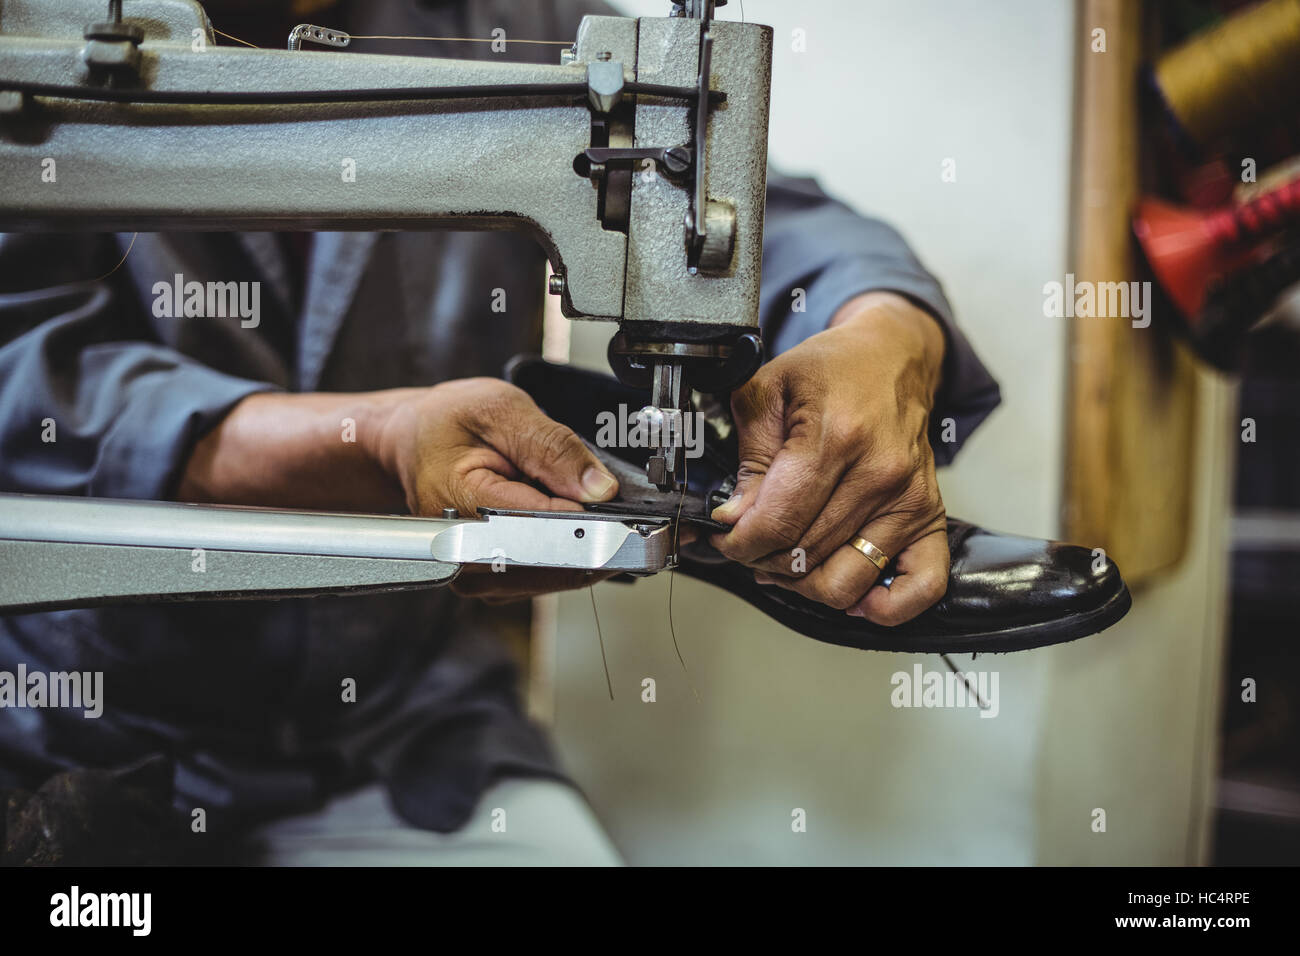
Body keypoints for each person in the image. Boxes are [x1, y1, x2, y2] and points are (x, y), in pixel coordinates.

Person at [0, 0, 999, 864]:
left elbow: (734, 206)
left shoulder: (507, 16)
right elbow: (19, 371)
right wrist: (378, 441)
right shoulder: (32, 32)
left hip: (404, 724)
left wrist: (885, 334)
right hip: (73, 723)